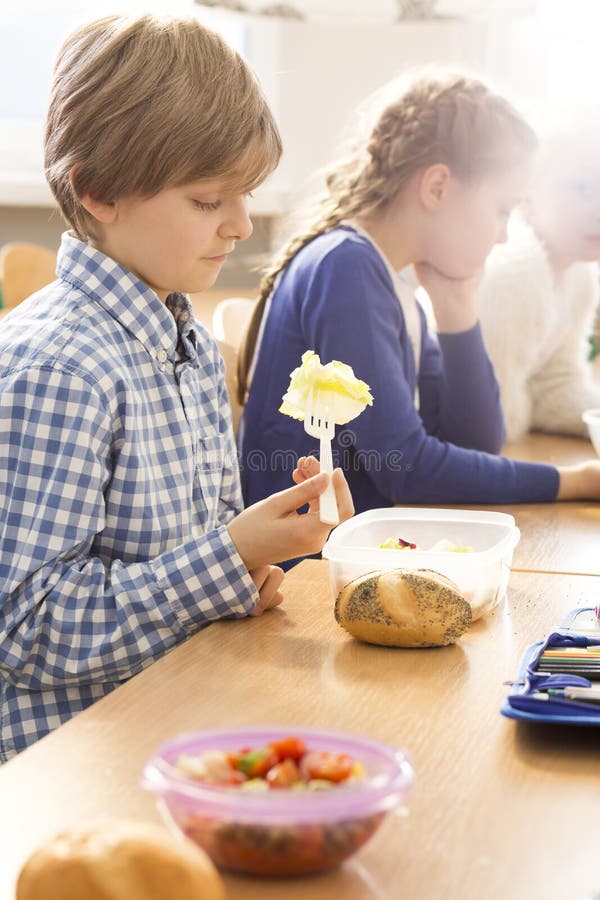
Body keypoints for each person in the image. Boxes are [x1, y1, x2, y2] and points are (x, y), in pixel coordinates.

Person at [0, 14, 353, 762]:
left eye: (245, 194)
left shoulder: (184, 339)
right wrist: (224, 561)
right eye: (206, 200)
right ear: (96, 190)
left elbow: (180, 571)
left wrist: (254, 559)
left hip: (179, 710)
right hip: (70, 765)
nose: (240, 224)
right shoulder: (60, 370)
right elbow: (23, 627)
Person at [237, 70, 600, 542]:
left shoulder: (395, 279)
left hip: (364, 545)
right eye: (501, 210)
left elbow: (472, 444)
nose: (504, 234)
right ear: (437, 189)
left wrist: (458, 311)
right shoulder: (346, 269)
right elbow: (406, 469)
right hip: (306, 570)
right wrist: (572, 482)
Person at [476, 107, 600, 441]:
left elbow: (554, 386)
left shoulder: (578, 276)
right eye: (583, 188)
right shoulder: (512, 271)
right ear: (525, 192)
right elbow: (496, 419)